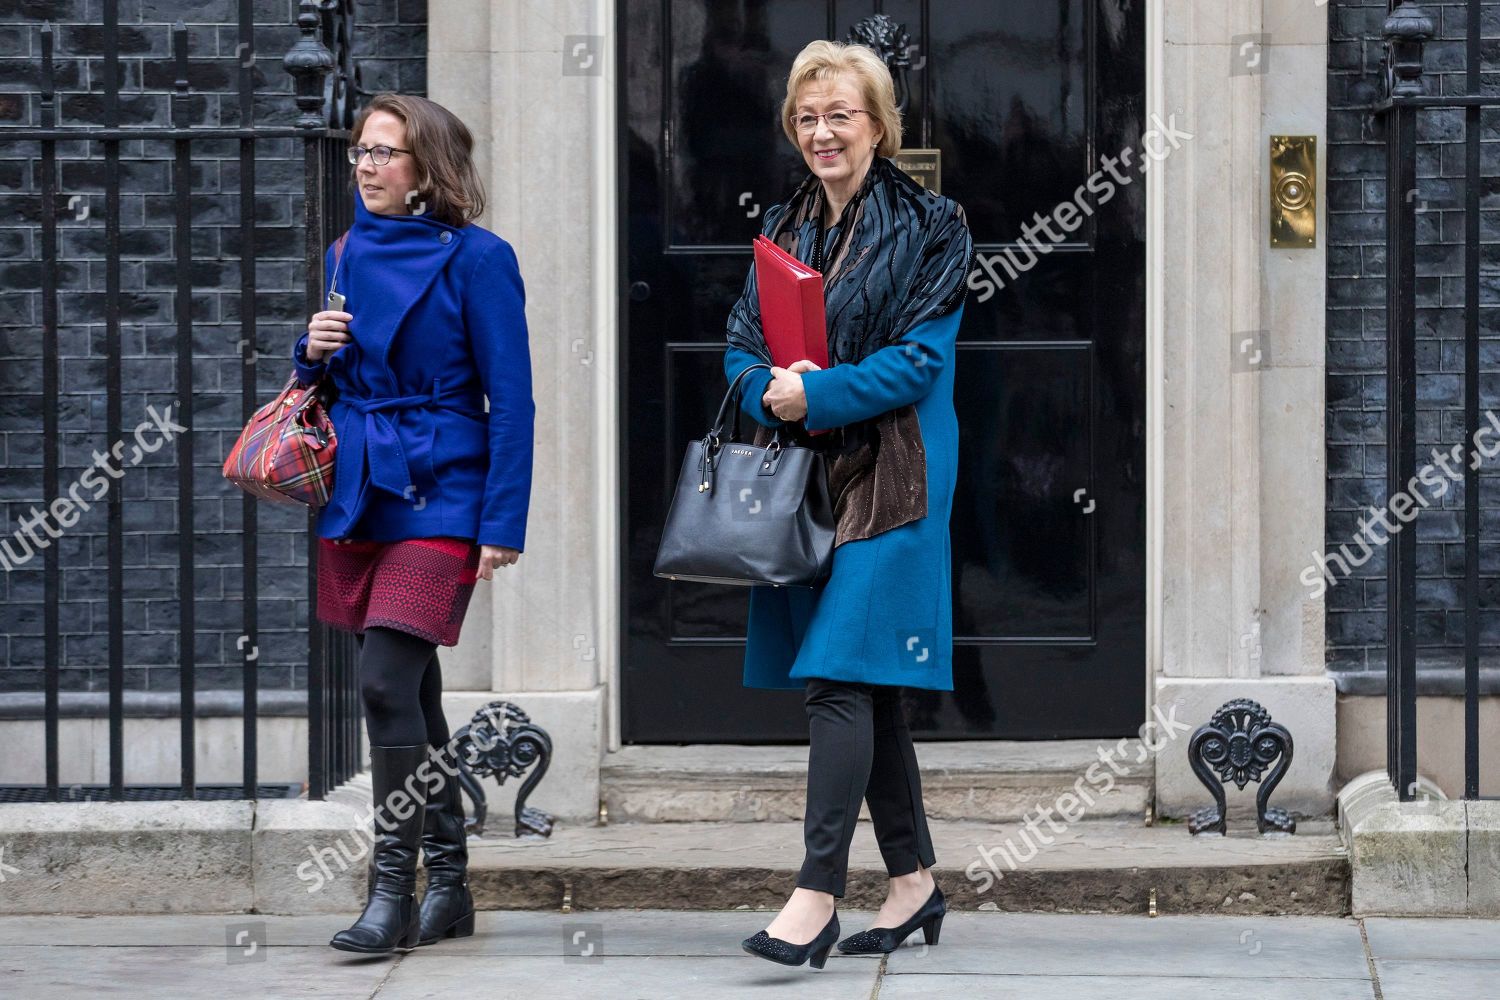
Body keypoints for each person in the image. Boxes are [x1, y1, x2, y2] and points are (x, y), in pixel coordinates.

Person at [723, 40, 973, 969]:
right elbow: (738, 346)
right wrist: (767, 392)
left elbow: (919, 361)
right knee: (869, 685)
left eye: (842, 115)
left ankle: (815, 893)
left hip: (897, 473)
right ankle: (912, 884)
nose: (823, 132)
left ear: (879, 126)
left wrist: (813, 395)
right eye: (808, 117)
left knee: (834, 673)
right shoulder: (781, 227)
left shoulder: (935, 223)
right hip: (808, 479)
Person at [292, 93, 535, 955]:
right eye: (361, 149)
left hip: (444, 489)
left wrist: (504, 518)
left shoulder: (480, 259)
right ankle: (452, 883)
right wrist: (311, 349)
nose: (365, 164)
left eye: (385, 152)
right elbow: (332, 381)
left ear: (428, 169)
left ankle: (390, 891)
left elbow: (513, 401)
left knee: (385, 682)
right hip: (364, 485)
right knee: (413, 692)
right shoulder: (346, 251)